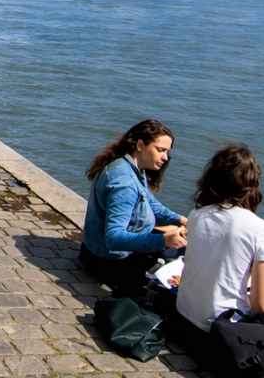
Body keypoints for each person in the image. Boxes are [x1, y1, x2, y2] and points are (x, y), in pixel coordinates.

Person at [175, 145, 264, 332]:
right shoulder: (260, 228)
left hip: (183, 313)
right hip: (218, 328)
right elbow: (260, 305)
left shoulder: (196, 214)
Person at [80, 119, 187, 291]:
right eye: (160, 150)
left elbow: (150, 204)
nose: (165, 157)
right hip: (110, 261)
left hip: (94, 250)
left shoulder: (130, 167)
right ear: (140, 145)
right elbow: (114, 238)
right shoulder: (125, 183)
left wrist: (180, 219)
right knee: (177, 261)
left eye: (167, 151)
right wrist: (164, 240)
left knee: (178, 237)